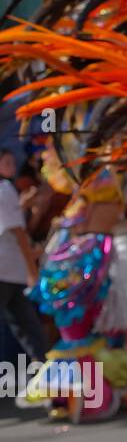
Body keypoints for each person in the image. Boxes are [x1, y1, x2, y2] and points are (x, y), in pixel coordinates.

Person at [0, 148, 46, 360]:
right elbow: (18, 232)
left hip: (9, 269)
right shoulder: (5, 188)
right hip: (8, 268)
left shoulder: (7, 189)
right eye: (6, 163)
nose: (12, 167)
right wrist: (31, 270)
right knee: (26, 326)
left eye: (12, 162)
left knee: (26, 326)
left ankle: (48, 371)